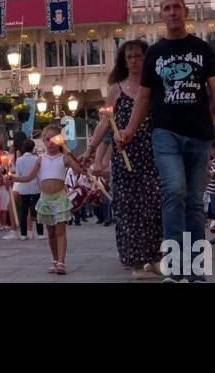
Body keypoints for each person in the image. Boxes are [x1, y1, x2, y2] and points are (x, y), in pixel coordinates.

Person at [117, 0, 215, 283]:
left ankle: (194, 269)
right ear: (161, 15)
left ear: (186, 12)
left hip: (199, 133)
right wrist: (130, 130)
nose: (172, 13)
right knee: (174, 191)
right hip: (165, 133)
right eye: (166, 8)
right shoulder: (155, 53)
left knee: (194, 201)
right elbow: (143, 98)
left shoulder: (203, 49)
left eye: (176, 7)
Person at [88, 39, 162, 278]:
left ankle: (155, 257)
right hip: (125, 157)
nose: (133, 61)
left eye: (138, 56)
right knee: (128, 208)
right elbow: (104, 123)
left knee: (153, 206)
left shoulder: (154, 86)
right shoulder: (116, 90)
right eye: (128, 57)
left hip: (151, 155)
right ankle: (136, 262)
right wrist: (91, 150)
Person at [11, 123, 85, 275]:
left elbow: (79, 170)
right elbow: (29, 177)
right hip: (45, 199)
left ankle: (62, 262)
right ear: (43, 141)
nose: (50, 142)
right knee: (50, 233)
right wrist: (13, 179)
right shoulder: (40, 159)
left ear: (60, 141)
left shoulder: (64, 158)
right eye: (47, 139)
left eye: (54, 138)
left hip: (59, 199)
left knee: (60, 231)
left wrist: (74, 159)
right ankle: (55, 259)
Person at [14, 137, 43, 239]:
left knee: (24, 211)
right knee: (37, 210)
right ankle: (40, 233)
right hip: (35, 187)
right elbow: (39, 174)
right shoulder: (36, 159)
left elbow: (18, 174)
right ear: (33, 148)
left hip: (24, 187)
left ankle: (23, 234)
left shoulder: (19, 160)